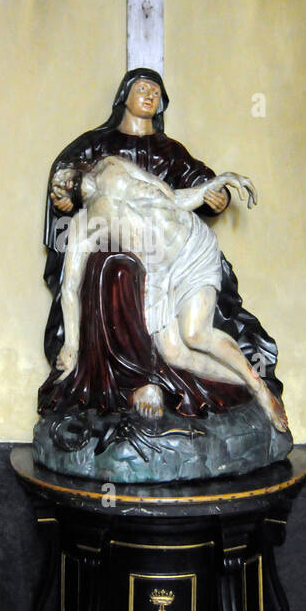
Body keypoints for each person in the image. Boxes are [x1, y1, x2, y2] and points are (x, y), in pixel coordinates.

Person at [39, 67, 284, 421]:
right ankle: (140, 377)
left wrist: (217, 191)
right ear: (123, 95)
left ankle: (254, 389)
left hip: (180, 250)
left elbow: (179, 191)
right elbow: (70, 282)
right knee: (119, 271)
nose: (150, 95)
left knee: (190, 333)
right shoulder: (95, 154)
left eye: (156, 91)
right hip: (144, 263)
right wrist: (72, 346)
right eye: (141, 88)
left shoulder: (127, 164)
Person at [55, 155, 288, 431]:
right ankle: (251, 386)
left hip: (189, 247)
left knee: (196, 334)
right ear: (61, 196)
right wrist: (70, 346)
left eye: (62, 174)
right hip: (158, 277)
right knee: (176, 355)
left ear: (76, 167)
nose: (61, 180)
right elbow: (70, 288)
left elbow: (169, 195)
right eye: (57, 184)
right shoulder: (81, 226)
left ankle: (261, 390)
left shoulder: (111, 166)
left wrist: (217, 183)